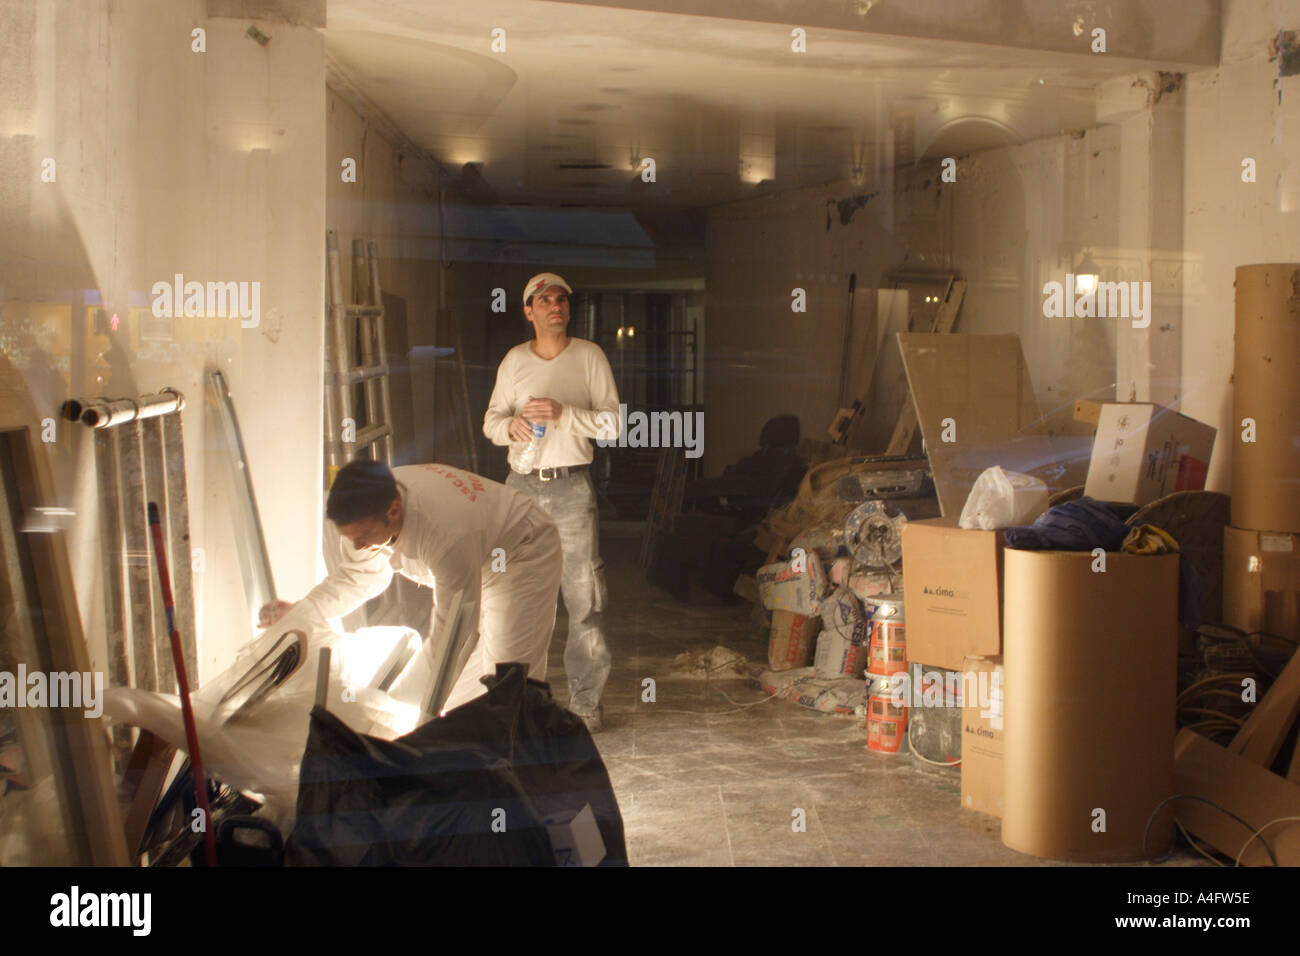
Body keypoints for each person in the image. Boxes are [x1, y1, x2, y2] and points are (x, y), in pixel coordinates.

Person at [258, 459, 561, 715]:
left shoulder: (443, 531)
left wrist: (388, 711)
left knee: (509, 686)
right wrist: (304, 613)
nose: (357, 545)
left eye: (362, 536)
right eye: (350, 537)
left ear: (393, 511)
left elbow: (452, 638)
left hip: (519, 555)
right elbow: (361, 575)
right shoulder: (365, 509)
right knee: (456, 704)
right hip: (475, 552)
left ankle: (523, 774)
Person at [483, 272, 618, 731]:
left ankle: (585, 704)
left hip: (571, 488)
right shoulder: (514, 361)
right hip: (520, 486)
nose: (555, 306)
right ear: (529, 310)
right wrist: (510, 427)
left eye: (561, 299)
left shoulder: (589, 357)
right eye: (544, 300)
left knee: (583, 598)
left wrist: (566, 414)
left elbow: (614, 425)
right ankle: (518, 700)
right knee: (513, 596)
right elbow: (491, 421)